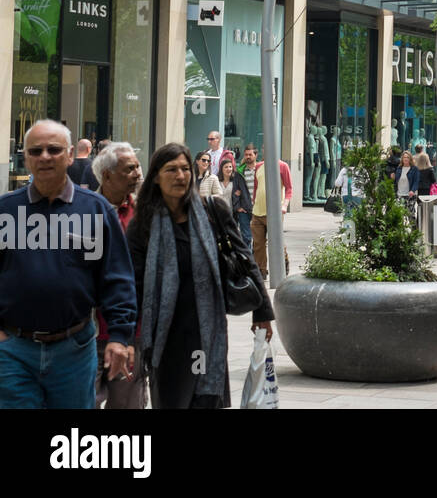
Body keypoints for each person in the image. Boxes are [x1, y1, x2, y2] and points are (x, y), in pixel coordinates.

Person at [0, 121, 135, 408]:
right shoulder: (5, 210)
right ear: (26, 157)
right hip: (13, 351)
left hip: (74, 350)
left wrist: (120, 336)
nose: (45, 156)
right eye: (36, 150)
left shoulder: (95, 209)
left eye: (54, 149)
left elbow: (117, 277)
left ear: (71, 155)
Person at [127, 143, 273, 408]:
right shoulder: (143, 224)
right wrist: (126, 336)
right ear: (156, 177)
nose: (181, 176)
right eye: (171, 170)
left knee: (207, 400)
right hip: (167, 338)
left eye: (185, 169)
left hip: (207, 332)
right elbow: (133, 285)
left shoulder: (212, 211)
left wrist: (262, 312)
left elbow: (245, 260)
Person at [89, 142, 147, 408]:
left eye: (137, 167)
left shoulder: (143, 216)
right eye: (130, 169)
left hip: (128, 336)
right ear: (107, 175)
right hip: (85, 336)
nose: (138, 173)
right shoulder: (82, 211)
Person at [251, 153, 292, 279]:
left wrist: (284, 205)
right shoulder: (258, 166)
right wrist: (253, 203)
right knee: (257, 244)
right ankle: (261, 271)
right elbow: (256, 188)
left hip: (274, 212)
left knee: (277, 242)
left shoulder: (282, 166)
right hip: (257, 211)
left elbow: (289, 189)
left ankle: (283, 262)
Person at [227, 151, 253, 245]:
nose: (248, 157)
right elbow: (235, 191)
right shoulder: (239, 172)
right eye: (246, 155)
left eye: (250, 155)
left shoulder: (259, 170)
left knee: (256, 237)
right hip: (243, 208)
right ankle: (247, 257)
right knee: (246, 236)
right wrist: (238, 207)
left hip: (257, 208)